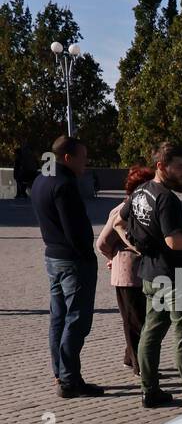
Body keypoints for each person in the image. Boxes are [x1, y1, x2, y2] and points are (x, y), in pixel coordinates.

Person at [128, 140, 182, 409]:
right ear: (161, 166)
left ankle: (149, 390)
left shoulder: (140, 192)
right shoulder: (166, 198)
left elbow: (120, 221)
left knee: (151, 333)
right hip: (177, 278)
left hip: (151, 276)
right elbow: (174, 241)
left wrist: (140, 248)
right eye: (180, 167)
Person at [32, 135, 103, 398]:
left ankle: (59, 374)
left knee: (58, 319)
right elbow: (75, 229)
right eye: (82, 157)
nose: (86, 162)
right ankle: (71, 380)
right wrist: (88, 255)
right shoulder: (64, 184)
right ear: (67, 158)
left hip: (52, 257)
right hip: (73, 262)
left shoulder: (40, 181)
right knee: (77, 321)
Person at [96, 165, 153, 375]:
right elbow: (102, 242)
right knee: (135, 322)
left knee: (141, 320)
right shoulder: (120, 211)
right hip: (127, 275)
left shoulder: (148, 208)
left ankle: (130, 358)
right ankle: (141, 367)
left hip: (146, 273)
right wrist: (113, 257)